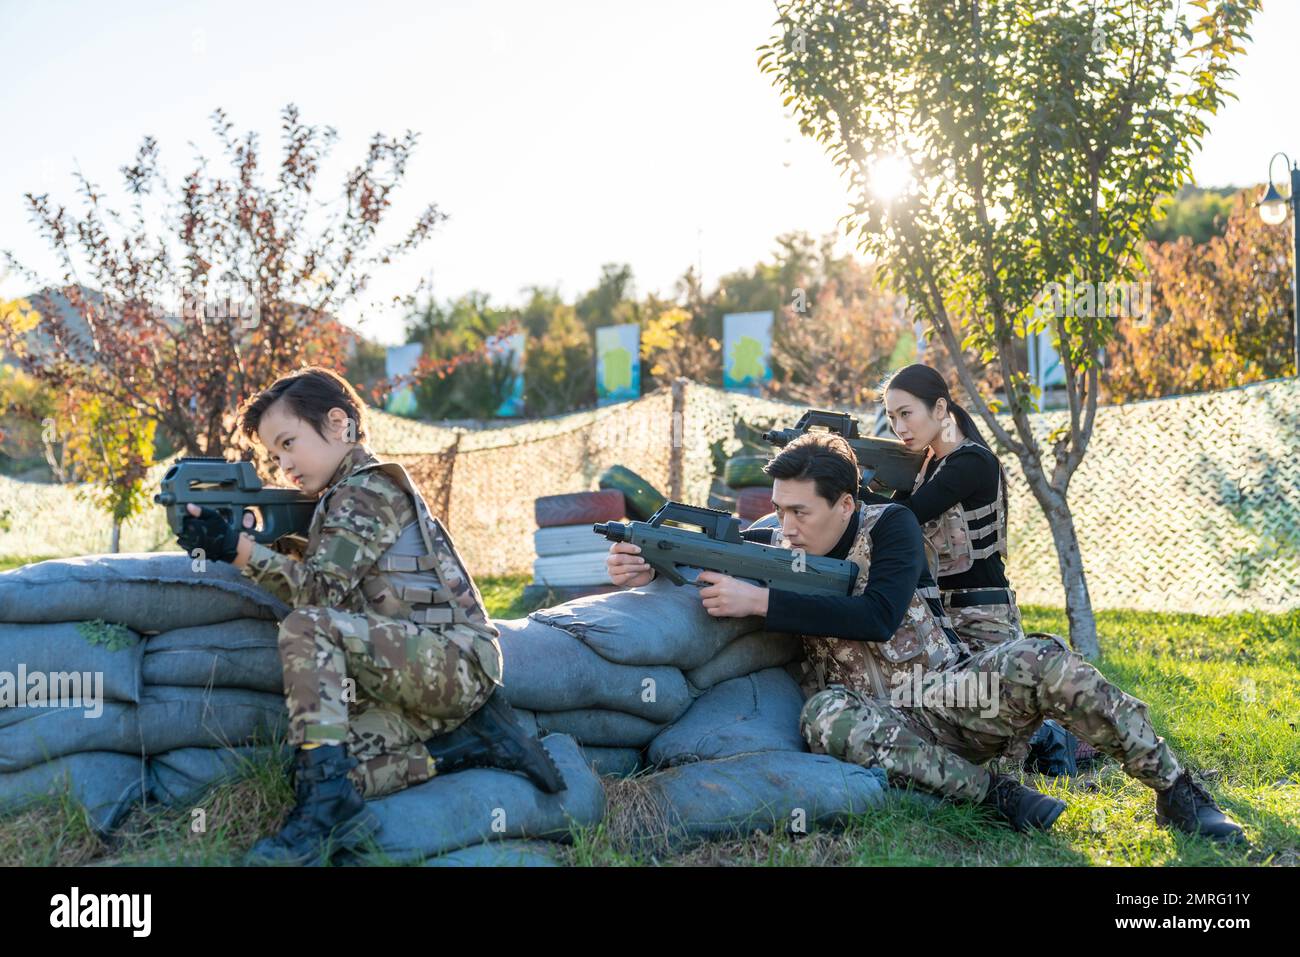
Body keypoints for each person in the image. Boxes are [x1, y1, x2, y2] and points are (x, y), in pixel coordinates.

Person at [606, 433, 1245, 843]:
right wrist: (641, 561)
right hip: (878, 723)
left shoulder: (892, 527)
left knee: (1041, 655)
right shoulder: (777, 542)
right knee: (824, 715)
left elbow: (880, 614)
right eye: (779, 508)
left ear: (846, 505)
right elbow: (701, 558)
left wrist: (763, 603)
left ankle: (1178, 791)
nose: (786, 527)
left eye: (801, 511)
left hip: (950, 697)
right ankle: (998, 798)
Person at [175, 366, 563, 866]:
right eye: (274, 455)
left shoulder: (366, 491)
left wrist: (241, 552)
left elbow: (319, 596)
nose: (283, 464)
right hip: (412, 680)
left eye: (289, 443)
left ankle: (317, 819)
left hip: (454, 665)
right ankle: (463, 745)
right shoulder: (332, 503)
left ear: (339, 424)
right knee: (325, 766)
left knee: (305, 626)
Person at [871, 362, 1080, 773]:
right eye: (892, 417)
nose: (898, 427)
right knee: (953, 709)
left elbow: (904, 515)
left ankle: (1054, 739)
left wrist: (860, 488)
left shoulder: (972, 463)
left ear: (940, 408)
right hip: (940, 613)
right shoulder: (927, 464)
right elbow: (886, 514)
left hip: (983, 613)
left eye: (905, 414)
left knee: (999, 699)